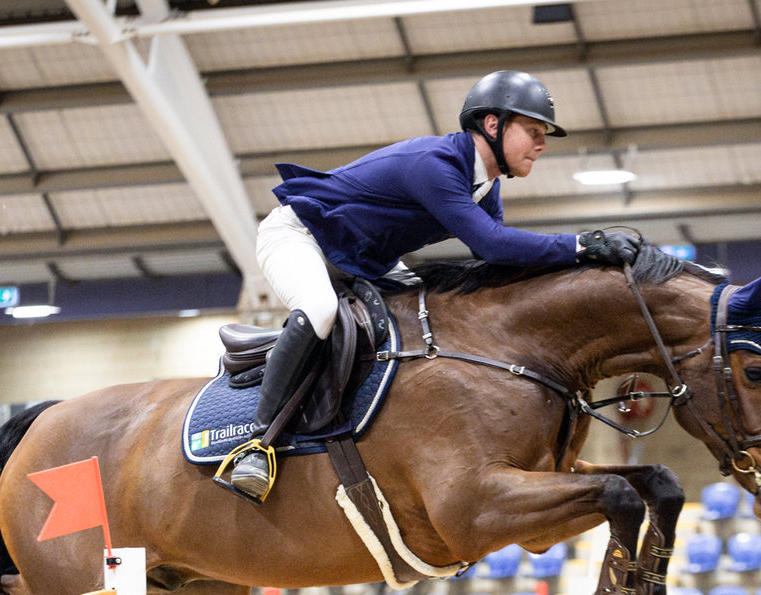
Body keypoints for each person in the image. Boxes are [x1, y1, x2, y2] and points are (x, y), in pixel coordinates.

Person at [226, 70, 642, 501]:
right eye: (533, 131)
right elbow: (493, 244)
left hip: (367, 260)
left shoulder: (485, 186)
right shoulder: (436, 165)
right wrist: (582, 245)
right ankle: (258, 444)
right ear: (493, 125)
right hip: (301, 236)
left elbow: (500, 261)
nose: (541, 144)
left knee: (426, 315)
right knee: (320, 310)